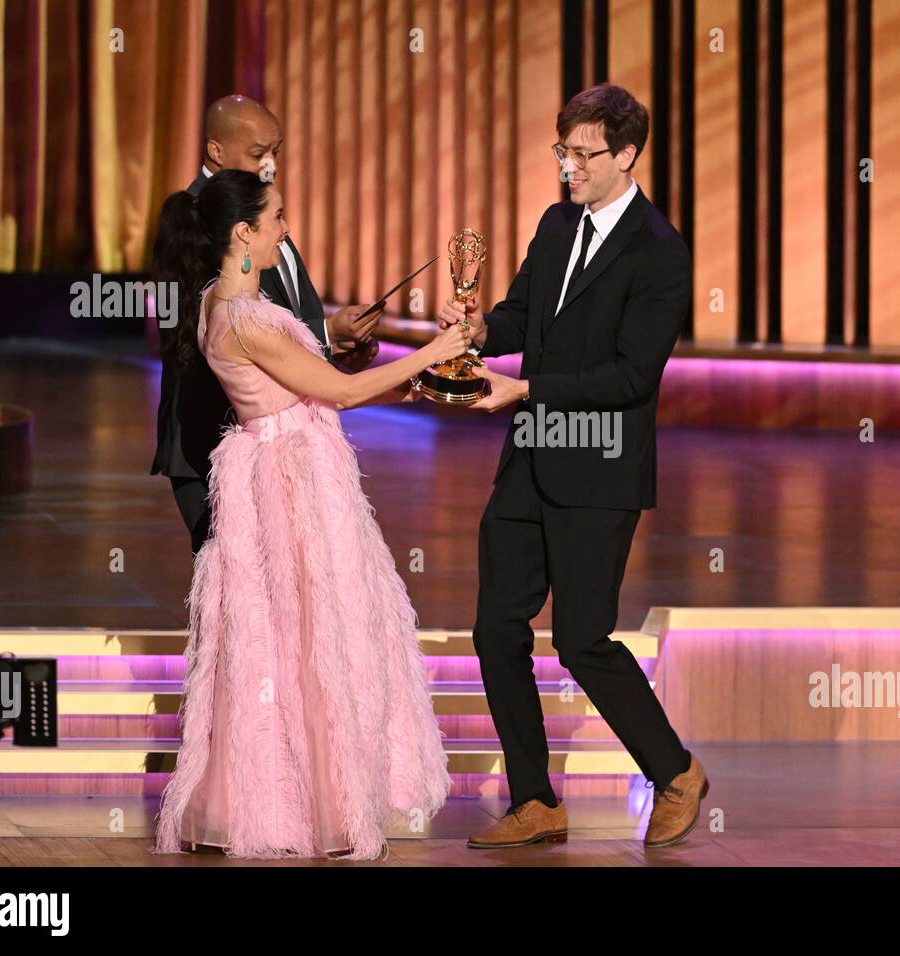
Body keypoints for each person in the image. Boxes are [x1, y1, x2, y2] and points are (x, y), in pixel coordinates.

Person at [150, 168, 468, 860]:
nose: (286, 231)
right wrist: (434, 354)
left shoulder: (222, 301)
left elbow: (318, 392)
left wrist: (413, 384)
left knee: (304, 638)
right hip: (288, 490)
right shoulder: (239, 317)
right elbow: (338, 391)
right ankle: (298, 808)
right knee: (301, 642)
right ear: (243, 234)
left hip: (299, 473)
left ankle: (307, 799)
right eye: (278, 219)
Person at [438, 84, 705, 849]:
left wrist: (527, 388)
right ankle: (535, 799)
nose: (569, 169)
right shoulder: (558, 225)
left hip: (599, 462)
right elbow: (523, 315)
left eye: (584, 154)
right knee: (497, 628)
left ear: (626, 156)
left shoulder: (660, 251)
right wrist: (480, 329)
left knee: (584, 639)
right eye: (564, 152)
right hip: (530, 458)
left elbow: (632, 376)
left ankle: (677, 771)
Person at [150, 95, 381, 553]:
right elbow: (216, 336)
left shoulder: (264, 212)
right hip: (215, 442)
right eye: (258, 154)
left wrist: (333, 343)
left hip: (277, 453)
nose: (271, 164)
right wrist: (326, 338)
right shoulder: (200, 219)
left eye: (276, 150)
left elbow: (287, 313)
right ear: (216, 150)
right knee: (238, 594)